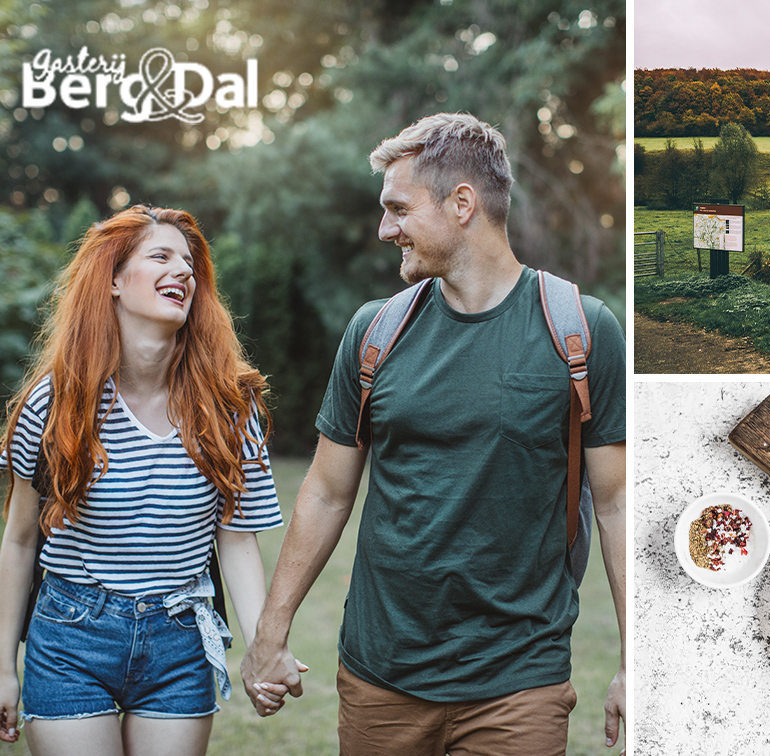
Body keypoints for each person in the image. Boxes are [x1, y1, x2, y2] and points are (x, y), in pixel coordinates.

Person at [240, 112, 627, 754]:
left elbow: (615, 504)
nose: (385, 229)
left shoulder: (580, 332)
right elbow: (327, 492)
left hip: (519, 685)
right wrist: (270, 632)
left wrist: (634, 659)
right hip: (380, 682)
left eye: (398, 209)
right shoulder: (374, 332)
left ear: (462, 204)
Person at [0, 206, 289, 755]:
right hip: (70, 637)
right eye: (161, 256)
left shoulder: (229, 406)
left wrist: (261, 648)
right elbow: (18, 541)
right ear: (112, 279)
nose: (183, 270)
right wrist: (1, 669)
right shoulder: (57, 403)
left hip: (179, 640)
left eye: (189, 263)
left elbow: (237, 542)